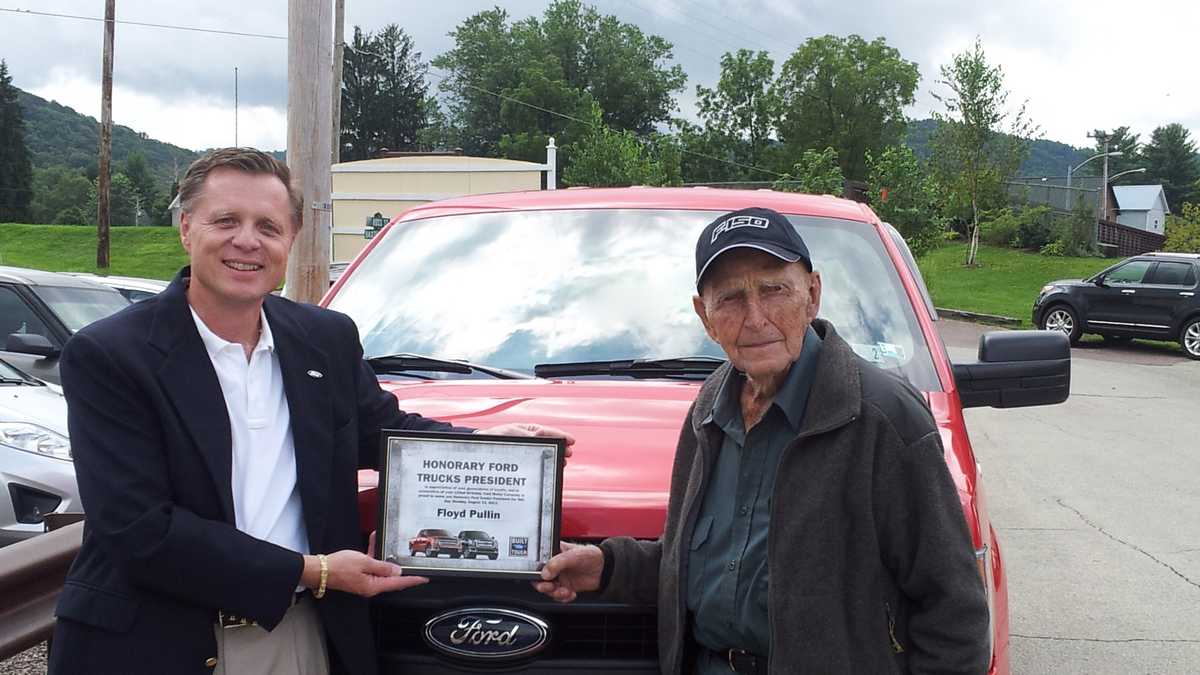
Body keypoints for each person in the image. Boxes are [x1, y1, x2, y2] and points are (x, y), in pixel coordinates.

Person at [49, 148, 571, 675]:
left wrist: (489, 447)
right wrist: (314, 571)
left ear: (291, 239)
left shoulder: (323, 339)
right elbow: (137, 529)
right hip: (154, 641)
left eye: (268, 227)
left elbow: (382, 432)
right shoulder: (110, 355)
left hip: (295, 634)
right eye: (226, 221)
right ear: (186, 228)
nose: (247, 241)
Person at [534, 207, 990, 674]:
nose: (755, 318)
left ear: (812, 295)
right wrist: (608, 567)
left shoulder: (884, 419)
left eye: (774, 290)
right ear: (705, 316)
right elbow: (698, 562)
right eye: (730, 298)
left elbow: (954, 613)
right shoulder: (710, 410)